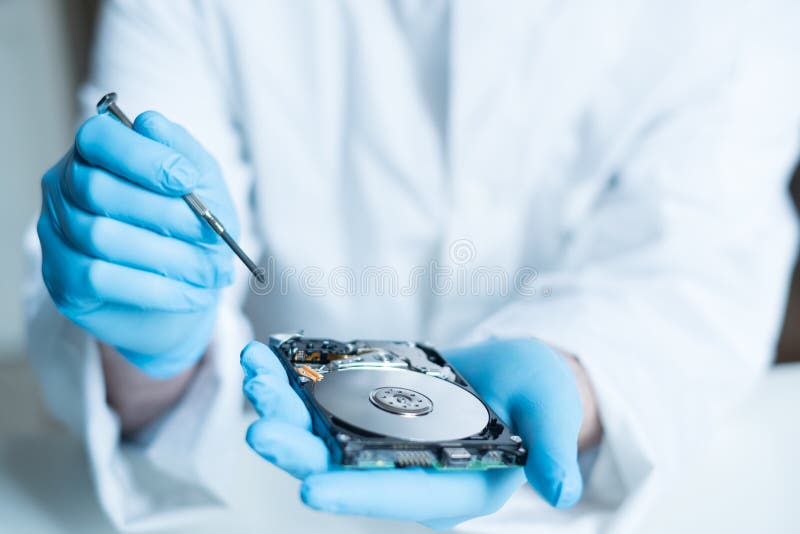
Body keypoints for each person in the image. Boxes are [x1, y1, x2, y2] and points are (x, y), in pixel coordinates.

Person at [24, 0, 800, 532]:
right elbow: (137, 245)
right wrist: (152, 348)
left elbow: (700, 253)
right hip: (266, 482)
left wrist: (578, 375)